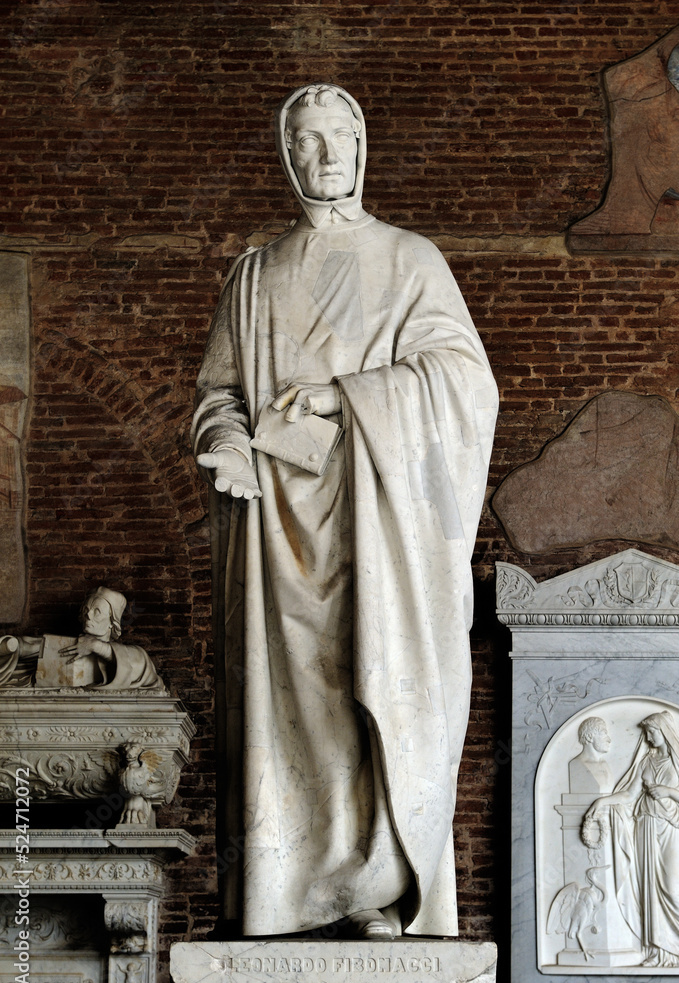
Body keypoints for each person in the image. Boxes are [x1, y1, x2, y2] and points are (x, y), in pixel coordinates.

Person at [191, 83, 497, 939]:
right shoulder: (253, 277)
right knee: (295, 714)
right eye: (305, 142)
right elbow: (217, 393)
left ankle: (376, 893)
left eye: (338, 139)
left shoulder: (410, 260)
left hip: (379, 524)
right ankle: (284, 893)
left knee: (380, 694)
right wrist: (223, 444)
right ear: (284, 156)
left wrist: (343, 398)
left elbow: (465, 383)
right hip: (275, 536)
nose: (324, 157)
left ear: (362, 150)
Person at [585, 711, 679, 967]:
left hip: (672, 829)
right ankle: (660, 951)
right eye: (647, 733)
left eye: (652, 732)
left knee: (672, 888)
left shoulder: (677, 761)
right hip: (646, 827)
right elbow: (629, 794)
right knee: (649, 888)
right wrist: (603, 800)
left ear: (665, 732)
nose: (648, 738)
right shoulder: (647, 762)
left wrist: (669, 791)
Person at [0, 586, 164, 690]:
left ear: (112, 622)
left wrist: (97, 647)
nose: (88, 616)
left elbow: (145, 674)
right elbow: (30, 645)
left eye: (97, 612)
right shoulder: (63, 646)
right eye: (86, 610)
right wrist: (12, 645)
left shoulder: (135, 656)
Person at [568, 716, 612, 794]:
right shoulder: (576, 764)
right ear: (589, 736)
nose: (609, 740)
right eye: (604, 733)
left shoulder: (605, 764)